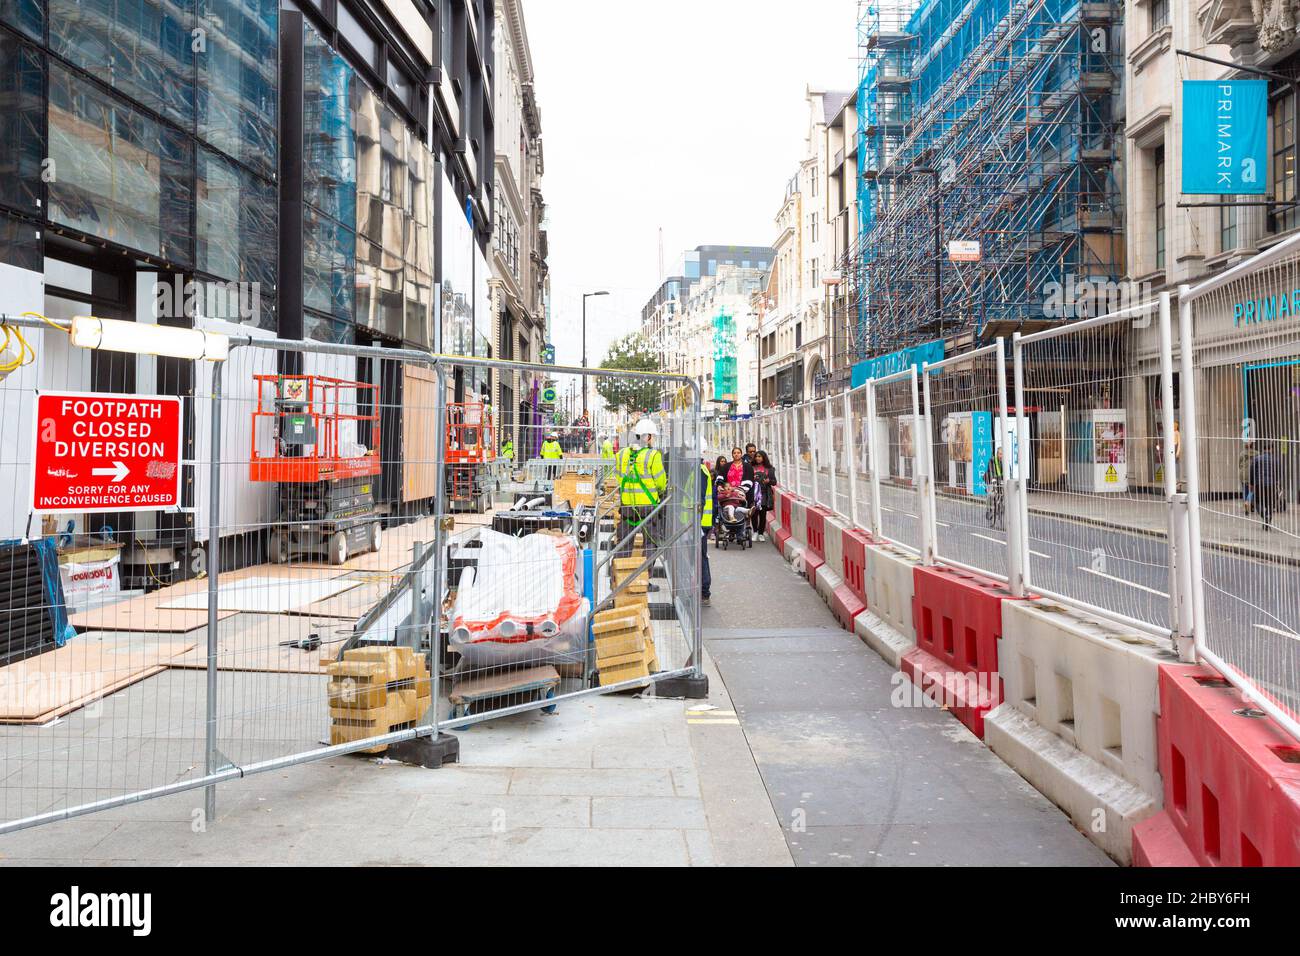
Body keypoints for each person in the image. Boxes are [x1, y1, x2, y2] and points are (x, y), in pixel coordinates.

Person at [615, 418, 668, 557]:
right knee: (650, 542)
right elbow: (661, 483)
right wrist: (659, 492)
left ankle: (620, 575)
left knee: (624, 542)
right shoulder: (653, 455)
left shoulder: (621, 454)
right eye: (653, 437)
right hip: (648, 506)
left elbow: (619, 478)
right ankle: (645, 576)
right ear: (648, 436)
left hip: (627, 505)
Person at [750, 449, 777, 541]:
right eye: (756, 456)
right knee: (754, 513)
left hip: (764, 494)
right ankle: (755, 532)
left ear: (764, 458)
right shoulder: (750, 467)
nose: (757, 458)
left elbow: (774, 482)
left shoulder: (770, 469)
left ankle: (761, 533)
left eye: (759, 456)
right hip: (753, 493)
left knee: (762, 514)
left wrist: (768, 481)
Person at [1251, 446, 1278, 531]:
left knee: (1257, 501)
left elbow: (1252, 471)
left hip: (1259, 484)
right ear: (1271, 449)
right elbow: (1279, 472)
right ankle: (1267, 518)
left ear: (1263, 450)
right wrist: (1277, 481)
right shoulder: (1275, 460)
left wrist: (1252, 483)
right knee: (1270, 503)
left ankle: (1264, 515)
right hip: (1271, 484)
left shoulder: (1257, 459)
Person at [1239, 442, 1259, 514]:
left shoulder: (1242, 454)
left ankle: (1246, 507)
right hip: (1252, 474)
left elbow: (1239, 464)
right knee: (1252, 491)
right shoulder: (1257, 453)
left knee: (1245, 490)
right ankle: (1249, 502)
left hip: (1243, 474)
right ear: (1252, 446)